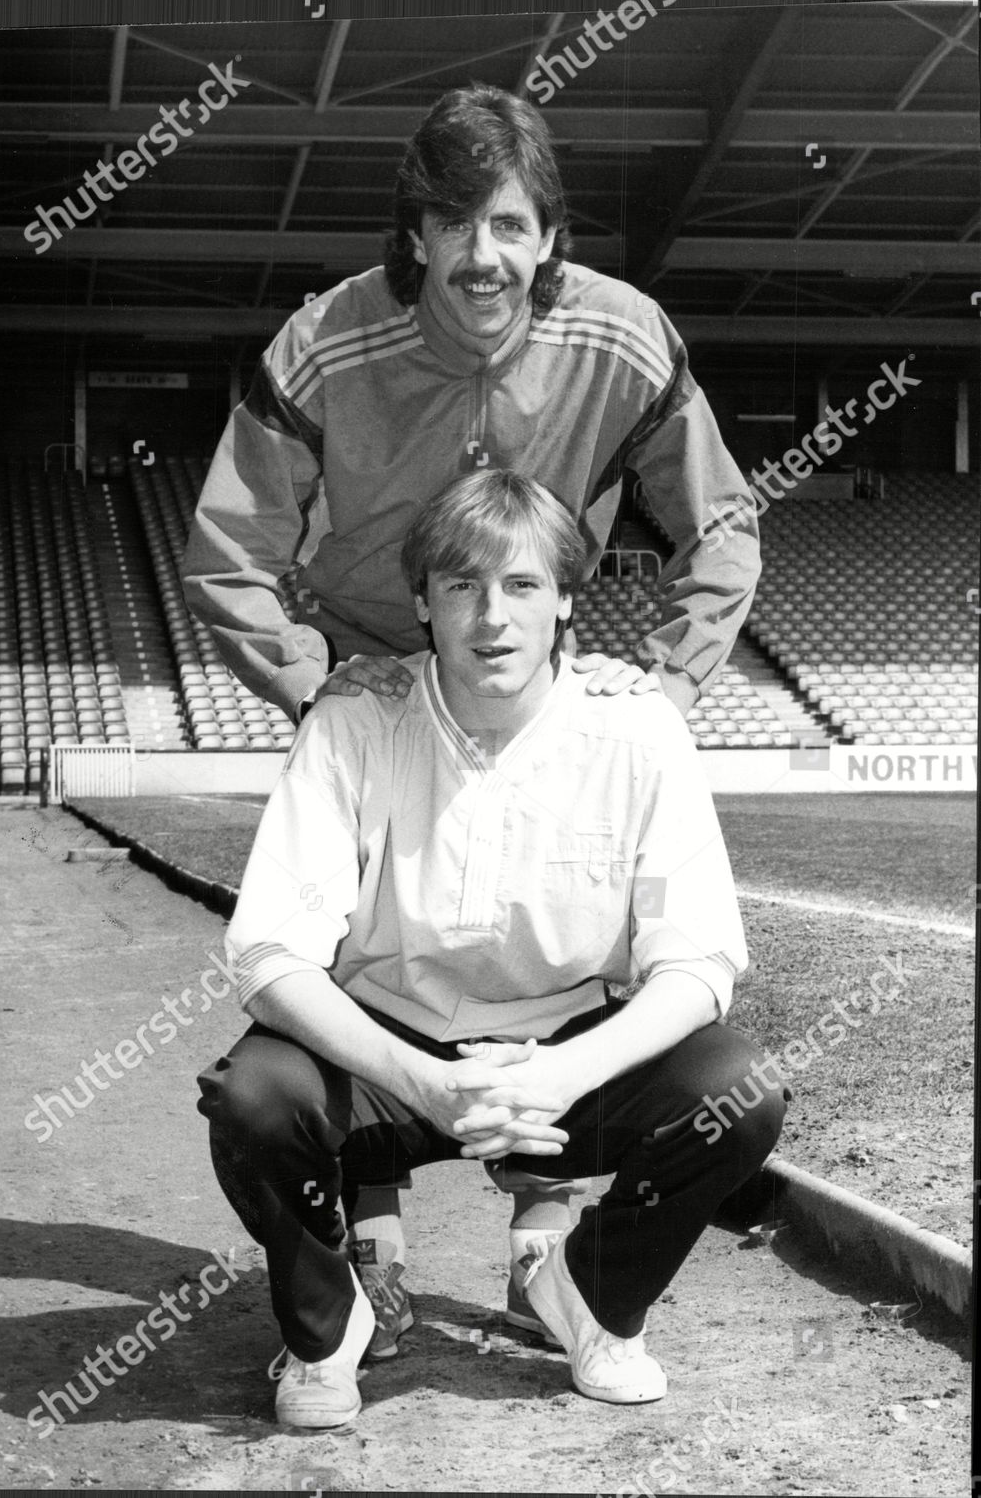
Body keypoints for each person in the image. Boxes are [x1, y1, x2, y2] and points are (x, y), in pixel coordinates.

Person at [181, 81, 761, 1346]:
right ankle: (363, 1245)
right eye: (455, 225)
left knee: (551, 929)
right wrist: (313, 678)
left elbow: (718, 520)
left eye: (508, 225)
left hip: (516, 636)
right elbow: (227, 550)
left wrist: (660, 682)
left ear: (547, 235)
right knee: (361, 946)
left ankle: (543, 1231)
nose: (482, 256)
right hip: (377, 670)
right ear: (416, 236)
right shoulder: (323, 343)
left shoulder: (624, 337)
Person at [195, 471, 784, 1429]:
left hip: (561, 1057)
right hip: (388, 1057)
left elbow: (700, 961)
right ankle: (327, 1322)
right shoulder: (353, 721)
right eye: (462, 586)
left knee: (737, 1088)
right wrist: (421, 1081)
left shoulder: (638, 731)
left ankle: (591, 1294)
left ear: (562, 598)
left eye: (519, 586)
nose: (490, 617)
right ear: (422, 601)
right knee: (254, 1097)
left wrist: (562, 1072)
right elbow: (269, 955)